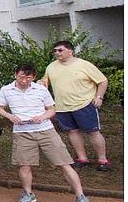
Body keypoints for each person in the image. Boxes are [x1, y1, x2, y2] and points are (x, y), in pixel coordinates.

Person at [0, 64, 96, 202]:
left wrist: (42, 117)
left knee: (64, 163)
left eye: (28, 77)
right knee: (24, 164)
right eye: (21, 76)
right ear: (15, 74)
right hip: (22, 132)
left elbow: (52, 109)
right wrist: (10, 116)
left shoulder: (41, 89)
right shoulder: (6, 90)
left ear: (34, 77)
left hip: (46, 130)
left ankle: (81, 196)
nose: (24, 80)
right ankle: (28, 193)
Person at [40, 41, 111, 171]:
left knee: (93, 132)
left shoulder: (84, 65)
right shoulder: (51, 67)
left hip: (84, 104)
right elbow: (45, 81)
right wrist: (41, 82)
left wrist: (99, 97)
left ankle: (103, 160)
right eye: (55, 51)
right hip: (62, 107)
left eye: (60, 50)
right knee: (72, 132)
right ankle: (82, 158)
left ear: (70, 51)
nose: (57, 53)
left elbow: (102, 81)